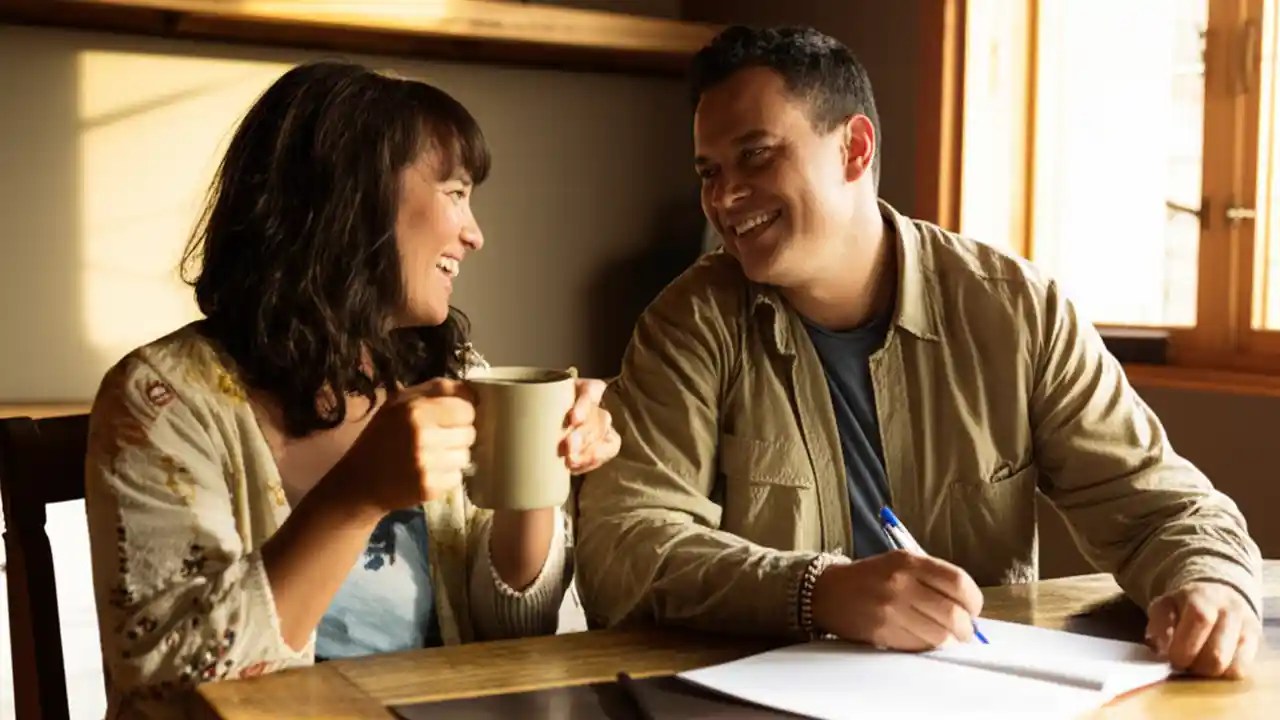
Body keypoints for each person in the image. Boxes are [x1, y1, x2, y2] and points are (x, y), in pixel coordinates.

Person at [574, 25, 1262, 679]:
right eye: (709, 170)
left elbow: (1163, 507)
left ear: (855, 149)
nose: (723, 196)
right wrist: (816, 591)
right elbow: (625, 545)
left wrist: (1210, 583)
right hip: (756, 698)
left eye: (756, 155)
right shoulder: (690, 321)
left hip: (977, 691)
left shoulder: (1017, 309)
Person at [84, 60, 620, 719]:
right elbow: (174, 688)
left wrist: (540, 469)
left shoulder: (441, 373)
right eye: (454, 193)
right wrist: (358, 495)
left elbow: (508, 635)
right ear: (350, 201)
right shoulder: (163, 400)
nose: (475, 234)